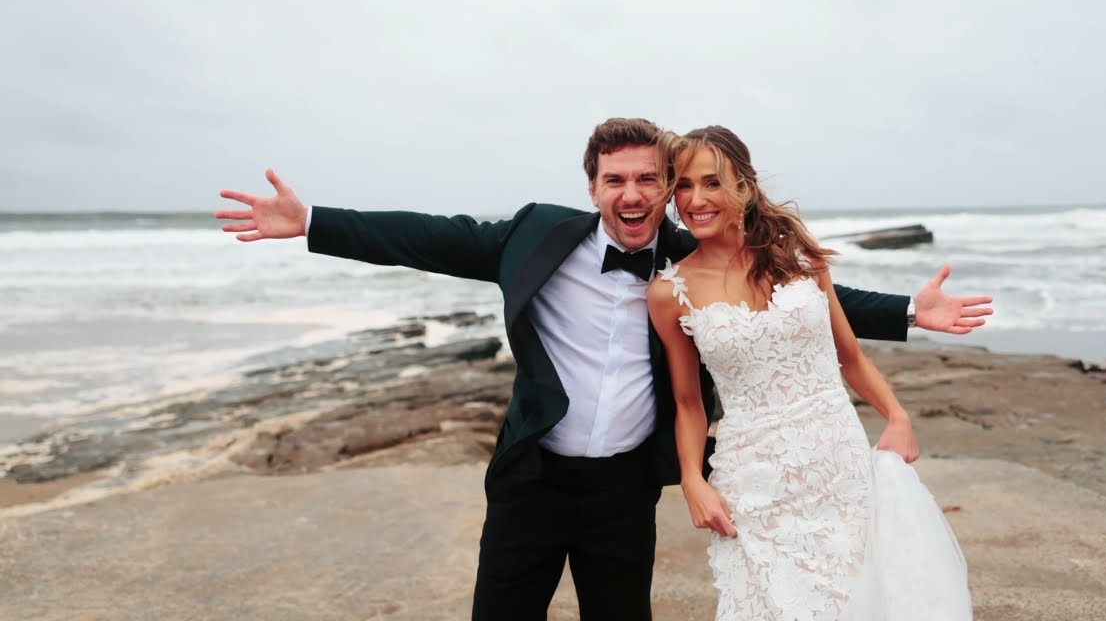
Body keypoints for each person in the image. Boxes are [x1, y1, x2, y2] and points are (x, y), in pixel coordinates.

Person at [215, 118, 991, 621]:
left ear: (667, 190)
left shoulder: (686, 262)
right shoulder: (535, 236)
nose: (634, 192)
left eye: (650, 179)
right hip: (533, 480)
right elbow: (426, 237)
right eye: (616, 180)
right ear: (592, 189)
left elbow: (789, 290)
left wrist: (909, 312)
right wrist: (311, 222)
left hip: (623, 488)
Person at [648, 126, 972, 621]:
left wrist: (897, 416)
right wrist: (693, 479)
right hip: (753, 482)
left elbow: (849, 356)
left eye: (712, 182)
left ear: (745, 185)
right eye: (684, 186)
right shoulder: (670, 292)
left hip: (839, 464)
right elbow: (689, 402)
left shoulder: (798, 255)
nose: (696, 200)